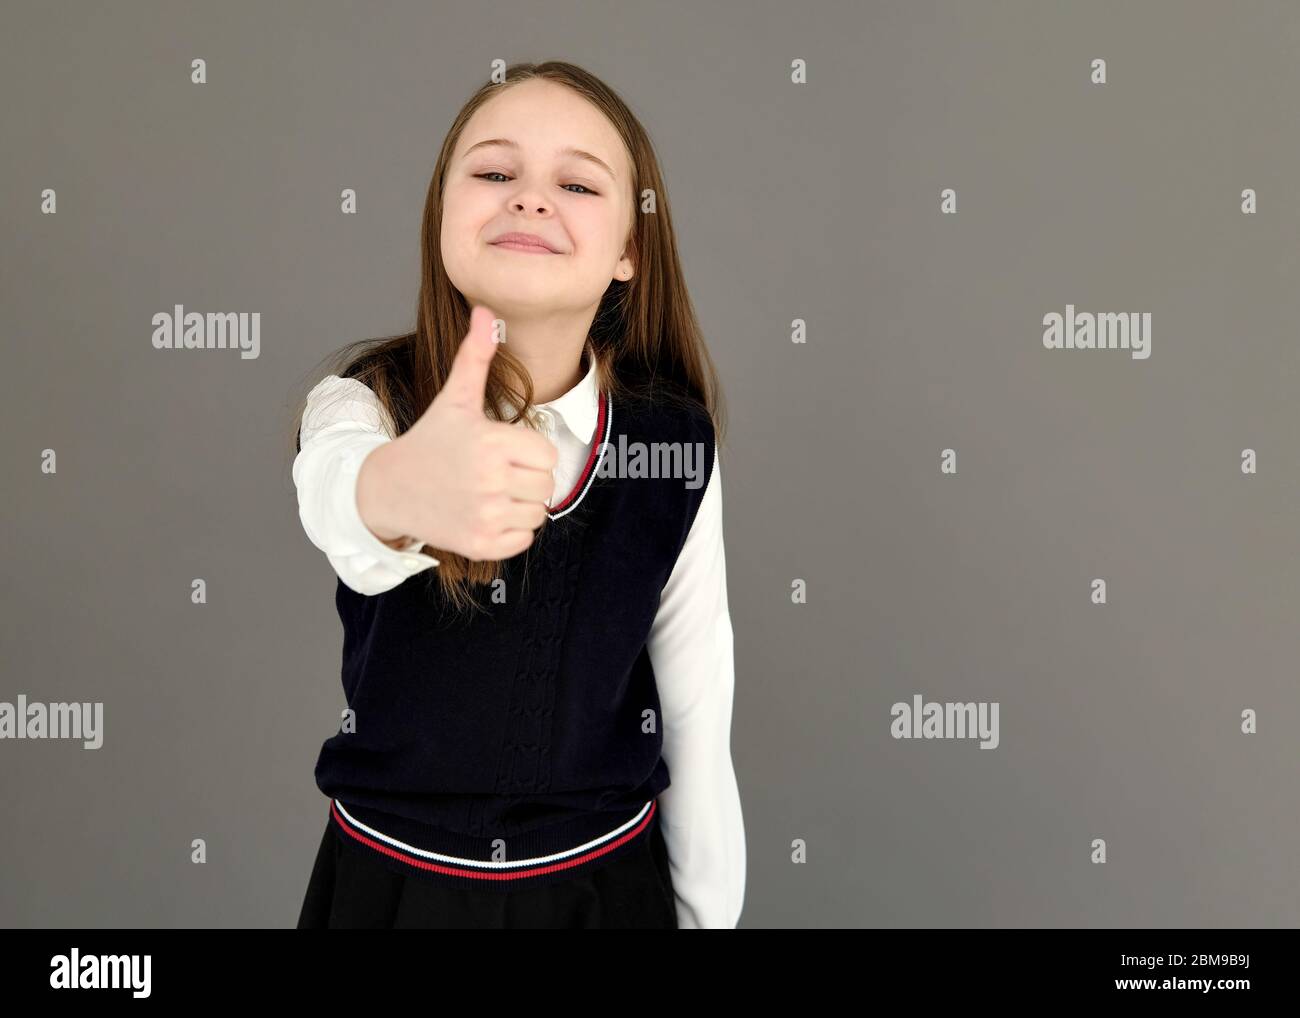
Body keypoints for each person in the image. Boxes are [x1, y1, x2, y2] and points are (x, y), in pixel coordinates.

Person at [290, 61, 744, 928]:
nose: (530, 199)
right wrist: (401, 493)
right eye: (496, 172)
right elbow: (339, 497)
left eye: (577, 184)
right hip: (389, 895)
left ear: (629, 251)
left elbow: (696, 714)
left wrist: (706, 917)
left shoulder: (674, 445)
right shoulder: (359, 405)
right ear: (442, 218)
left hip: (608, 896)